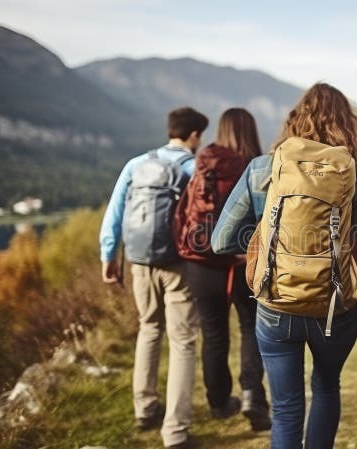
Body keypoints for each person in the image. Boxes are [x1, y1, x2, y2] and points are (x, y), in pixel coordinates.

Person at [211, 83, 357, 449]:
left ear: (294, 121)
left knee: (286, 407)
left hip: (276, 302)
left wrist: (264, 245)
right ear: (348, 125)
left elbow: (220, 241)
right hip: (335, 306)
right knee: (326, 387)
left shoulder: (263, 169)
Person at [100, 107, 207, 449]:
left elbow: (115, 213)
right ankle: (175, 431)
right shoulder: (193, 167)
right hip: (177, 265)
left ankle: (144, 409)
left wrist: (108, 256)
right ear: (194, 135)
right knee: (183, 341)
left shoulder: (136, 164)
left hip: (139, 261)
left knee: (149, 328)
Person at [179, 108, 271, 430]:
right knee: (251, 327)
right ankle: (252, 396)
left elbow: (186, 210)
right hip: (244, 261)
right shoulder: (256, 165)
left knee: (214, 333)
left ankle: (219, 402)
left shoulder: (204, 161)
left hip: (202, 262)